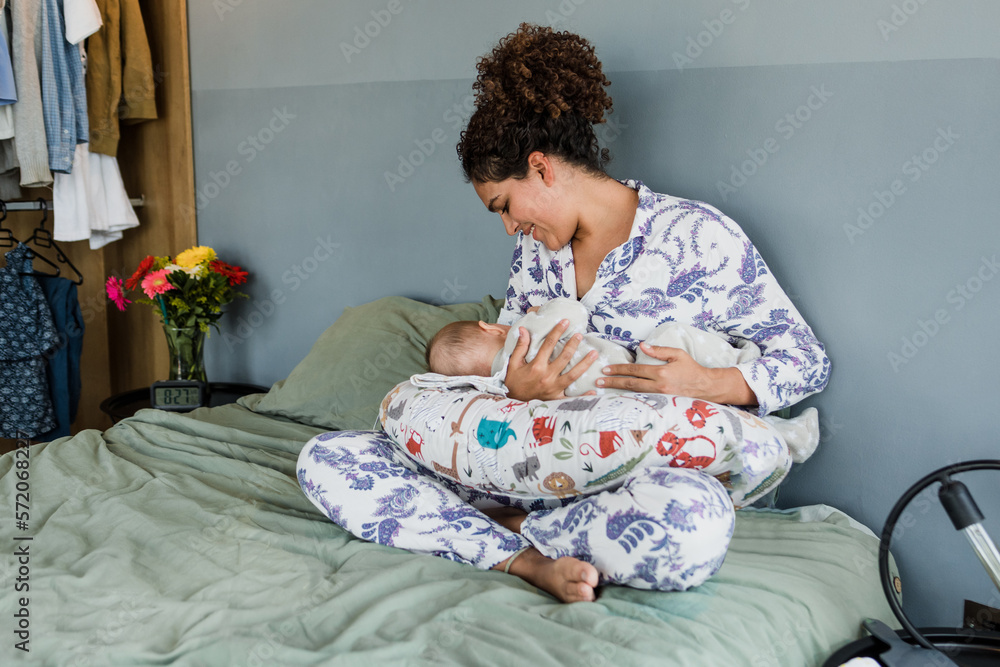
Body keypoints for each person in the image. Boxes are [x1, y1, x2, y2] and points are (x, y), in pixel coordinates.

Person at [297, 23, 830, 603]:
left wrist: (709, 382)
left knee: (693, 524)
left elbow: (805, 359)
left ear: (542, 167)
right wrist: (515, 384)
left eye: (505, 205)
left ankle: (506, 535)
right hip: (528, 464)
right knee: (329, 458)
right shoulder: (534, 254)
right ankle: (524, 556)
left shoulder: (698, 237)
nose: (508, 228)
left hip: (627, 480)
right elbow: (511, 358)